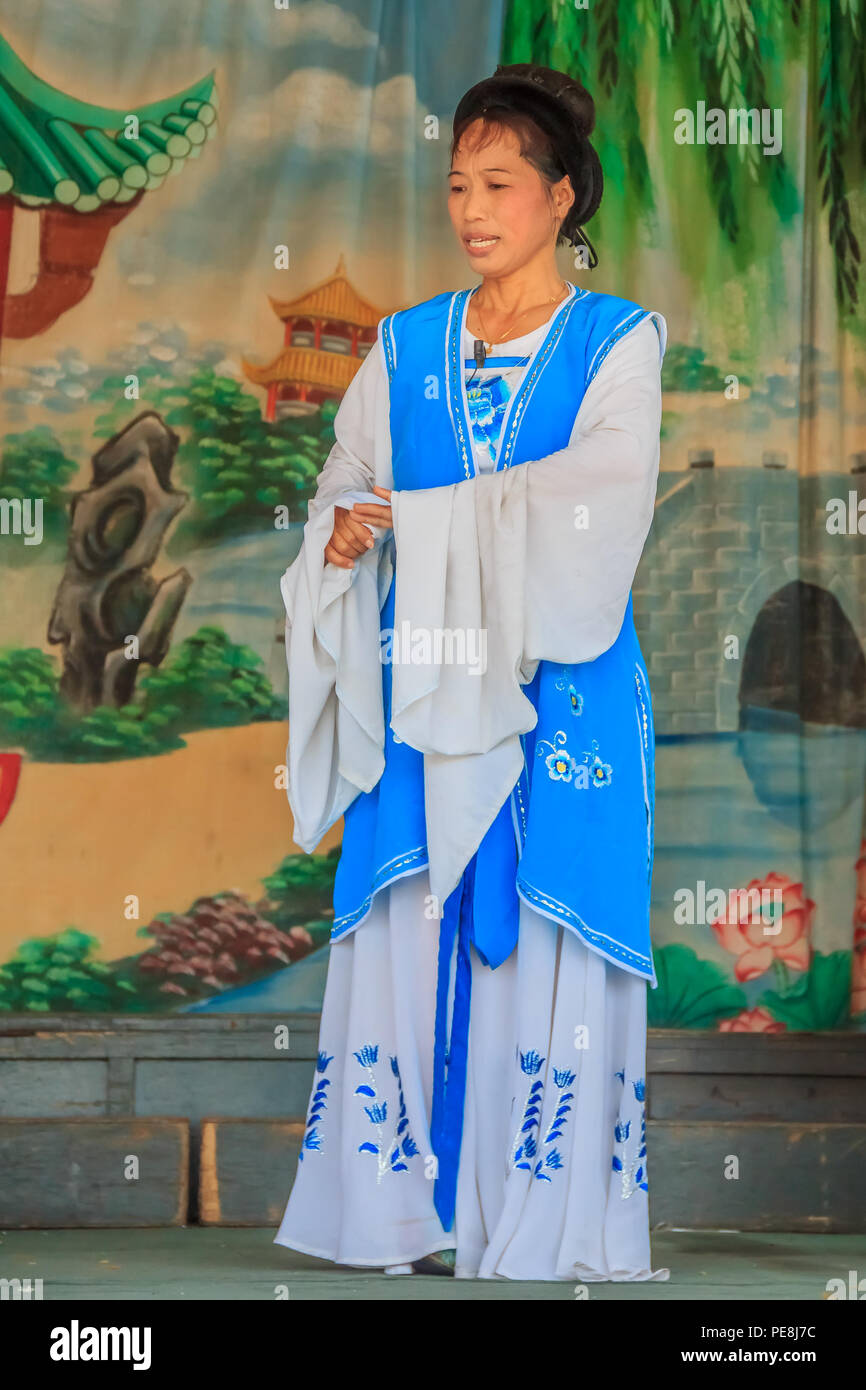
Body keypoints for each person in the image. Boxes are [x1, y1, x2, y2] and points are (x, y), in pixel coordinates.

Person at [274, 62, 669, 1283]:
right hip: (422, 675)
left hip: (565, 683)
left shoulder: (618, 341)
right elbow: (350, 475)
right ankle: (401, 1212)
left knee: (545, 922)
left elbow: (600, 502)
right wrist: (341, 525)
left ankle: (533, 1220)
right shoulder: (406, 344)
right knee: (407, 908)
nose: (472, 207)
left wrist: (422, 517)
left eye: (500, 182)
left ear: (561, 199)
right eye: (458, 184)